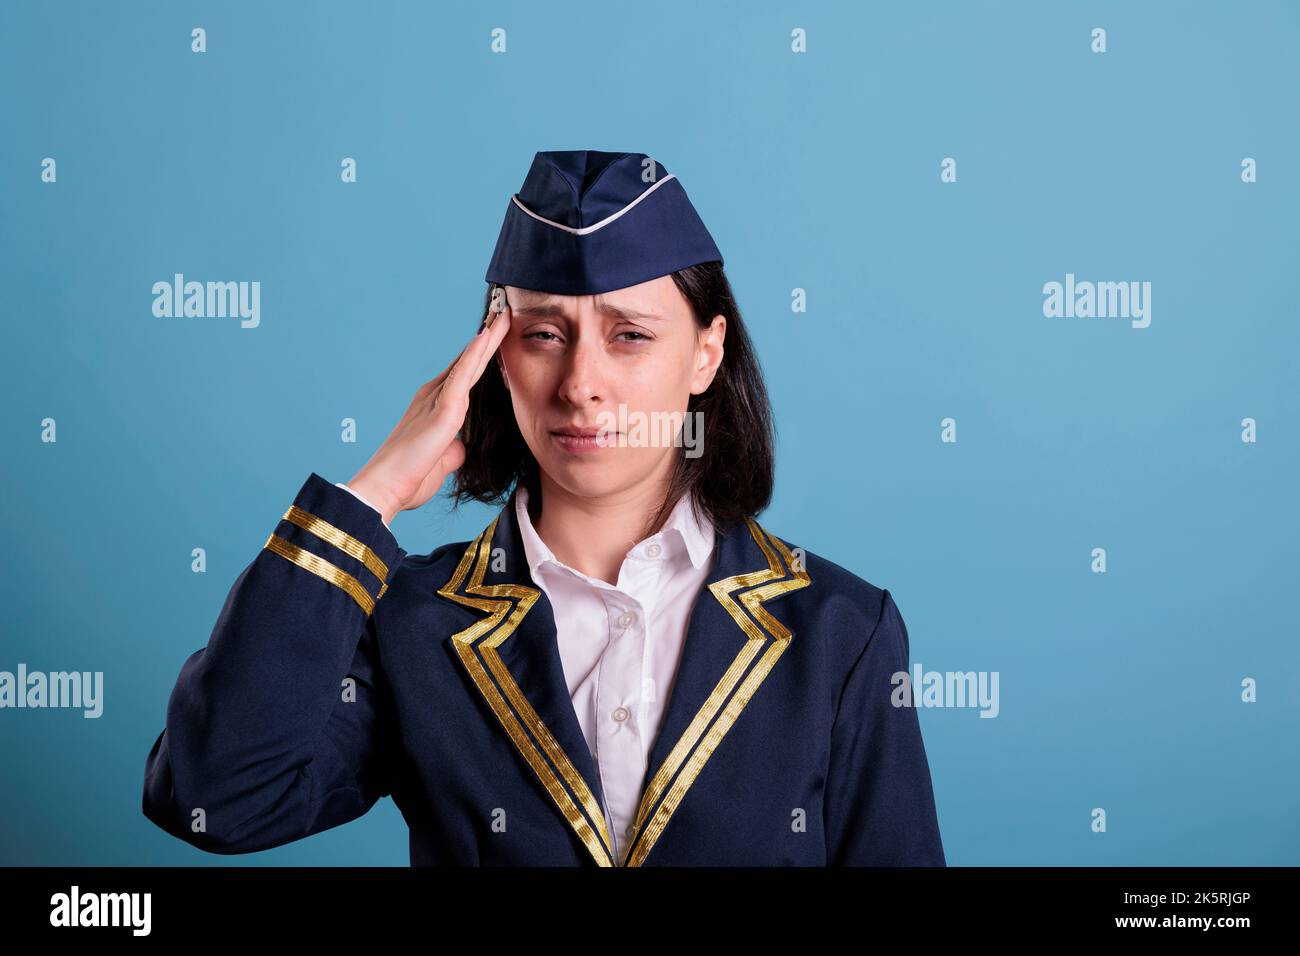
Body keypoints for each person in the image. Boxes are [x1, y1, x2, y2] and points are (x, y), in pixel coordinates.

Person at [141, 149, 946, 866]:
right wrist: (373, 495)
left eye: (630, 335)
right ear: (492, 356)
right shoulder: (416, 627)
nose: (580, 385)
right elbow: (216, 798)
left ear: (706, 352)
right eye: (544, 335)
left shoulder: (839, 630)